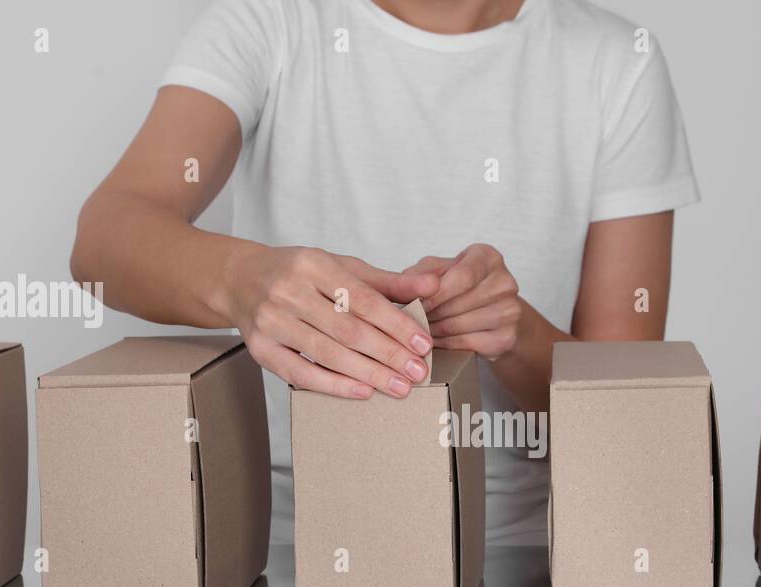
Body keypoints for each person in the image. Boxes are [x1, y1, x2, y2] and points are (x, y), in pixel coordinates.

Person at [71, 0, 698, 546]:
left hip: (518, 555)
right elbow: (103, 239)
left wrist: (516, 334)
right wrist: (246, 281)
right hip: (289, 545)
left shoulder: (617, 61)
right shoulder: (272, 22)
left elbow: (627, 413)